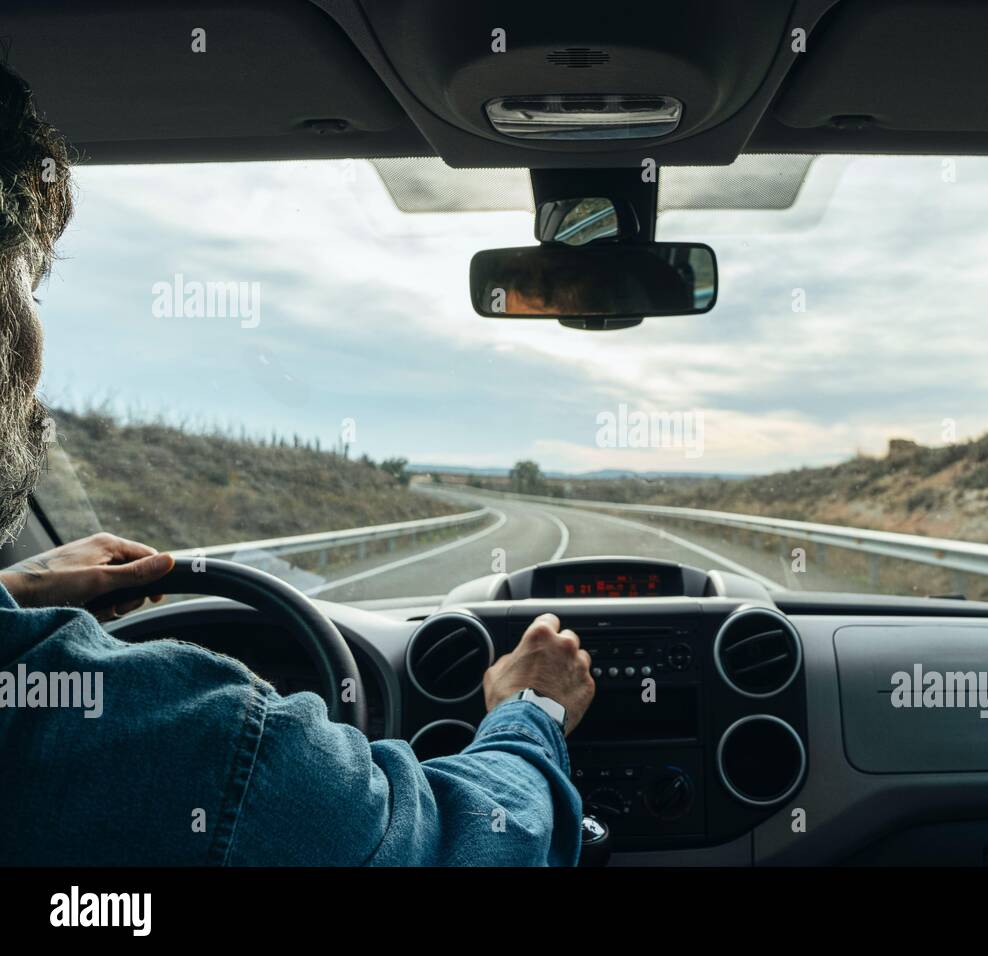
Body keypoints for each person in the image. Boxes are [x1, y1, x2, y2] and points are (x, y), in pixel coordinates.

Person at [0, 63, 594, 865]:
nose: (38, 349)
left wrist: (10, 594)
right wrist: (532, 710)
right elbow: (474, 842)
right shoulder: (195, 742)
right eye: (29, 293)